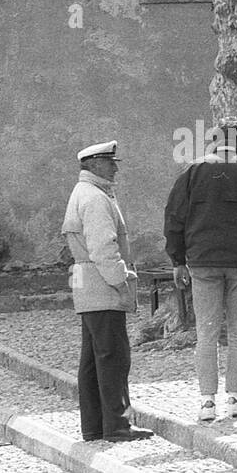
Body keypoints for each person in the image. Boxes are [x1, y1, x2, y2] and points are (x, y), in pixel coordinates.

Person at [164, 118, 237, 422]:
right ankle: (235, 398)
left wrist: (177, 260)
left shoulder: (192, 171)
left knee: (207, 331)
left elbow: (174, 218)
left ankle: (206, 402)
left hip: (202, 261)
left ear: (213, 140)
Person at [61, 140, 154, 442]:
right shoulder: (96, 198)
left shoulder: (84, 193)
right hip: (102, 284)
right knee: (113, 357)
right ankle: (117, 425)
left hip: (88, 283)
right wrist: (121, 282)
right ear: (95, 164)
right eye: (110, 162)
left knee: (92, 359)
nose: (115, 168)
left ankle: (94, 426)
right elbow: (104, 249)